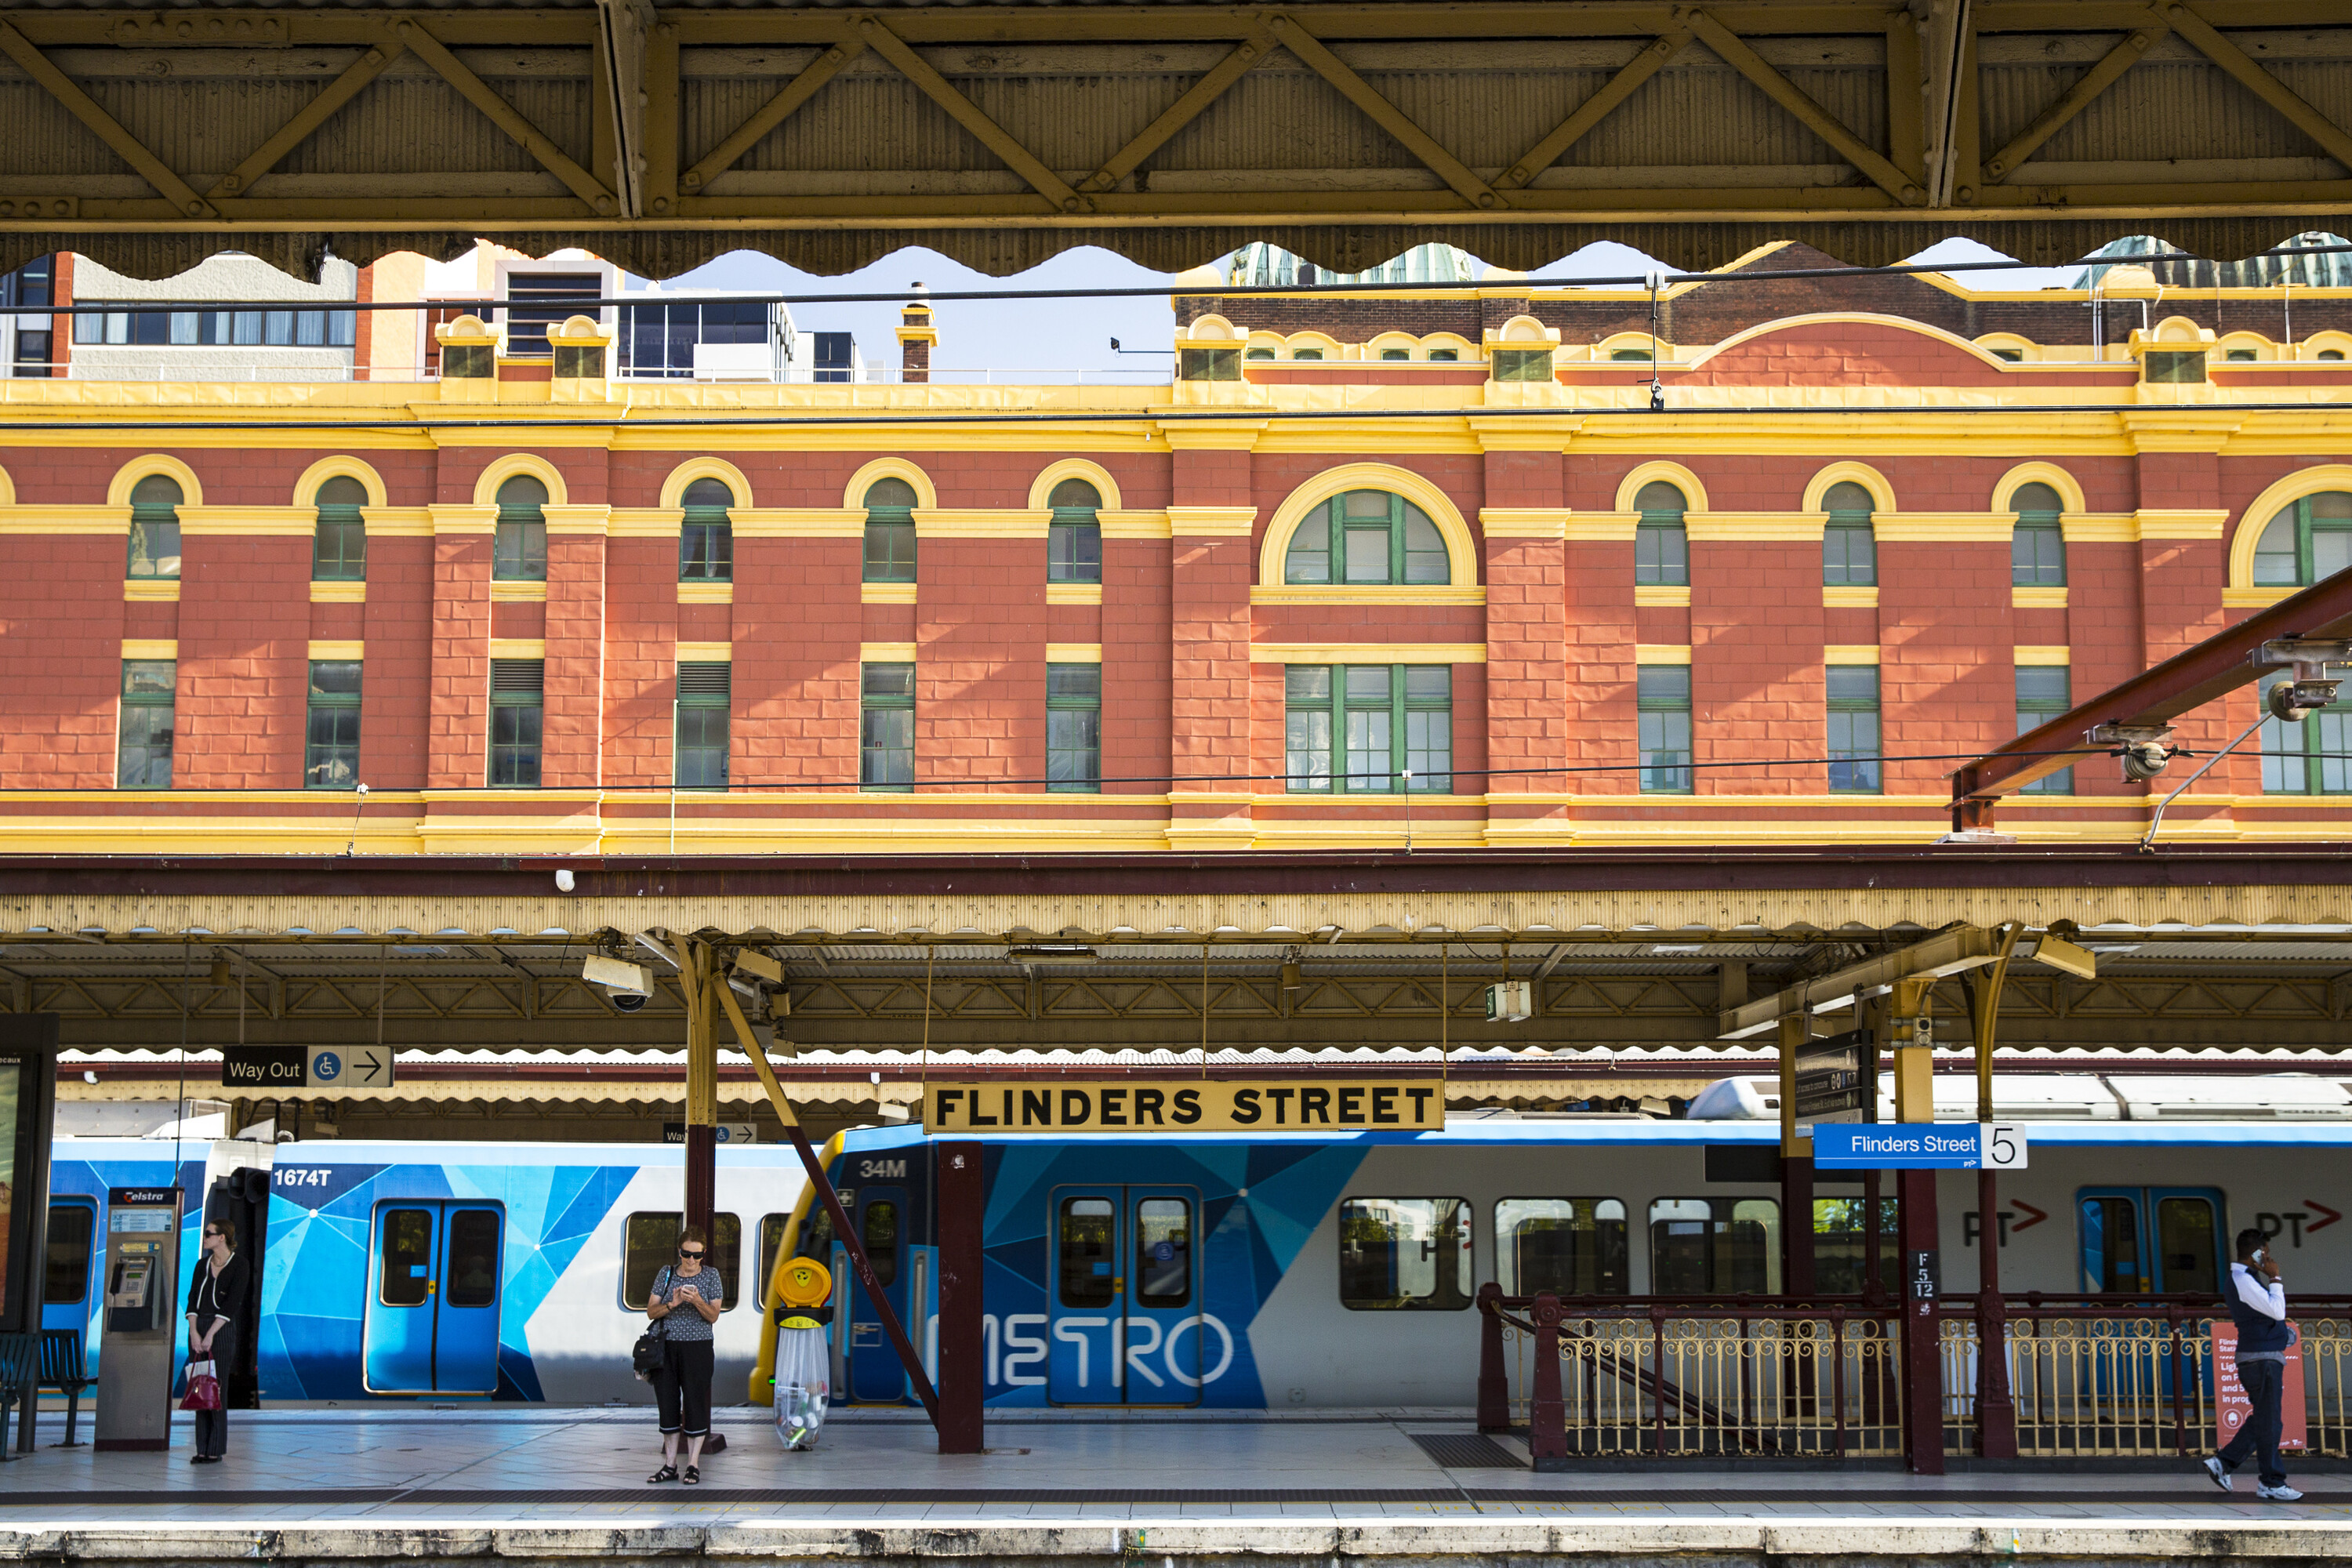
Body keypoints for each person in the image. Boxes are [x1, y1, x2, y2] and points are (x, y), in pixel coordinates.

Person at [2204, 1227, 2303, 1501]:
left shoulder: (2246, 1278)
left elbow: (2267, 1317)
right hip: (2260, 1360)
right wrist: (2276, 1278)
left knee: (2265, 1419)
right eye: (2266, 1253)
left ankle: (2224, 1463)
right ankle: (2271, 1482)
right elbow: (2277, 1310)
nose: (2269, 1259)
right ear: (2257, 1252)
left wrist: (2284, 1333)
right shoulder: (2242, 1279)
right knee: (2270, 1422)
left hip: (2263, 1357)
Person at [644, 1224, 723, 1485]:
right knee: (667, 1404)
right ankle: (669, 1465)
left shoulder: (711, 1276)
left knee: (695, 1403)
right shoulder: (666, 1274)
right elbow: (651, 1312)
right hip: (666, 1348)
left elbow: (713, 1316)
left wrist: (697, 1301)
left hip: (698, 1347)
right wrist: (673, 1304)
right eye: (686, 1254)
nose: (691, 1260)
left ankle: (693, 1464)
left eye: (696, 1255)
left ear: (704, 1254)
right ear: (679, 1252)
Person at [183, 1216, 252, 1465]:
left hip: (220, 1331)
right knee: (199, 1388)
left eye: (209, 1234)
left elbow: (232, 1305)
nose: (204, 1238)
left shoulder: (239, 1266)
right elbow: (192, 1299)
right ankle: (202, 1448)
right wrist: (194, 1332)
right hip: (198, 1328)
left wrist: (210, 1334)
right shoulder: (202, 1265)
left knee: (216, 1389)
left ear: (222, 1237)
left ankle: (215, 1449)